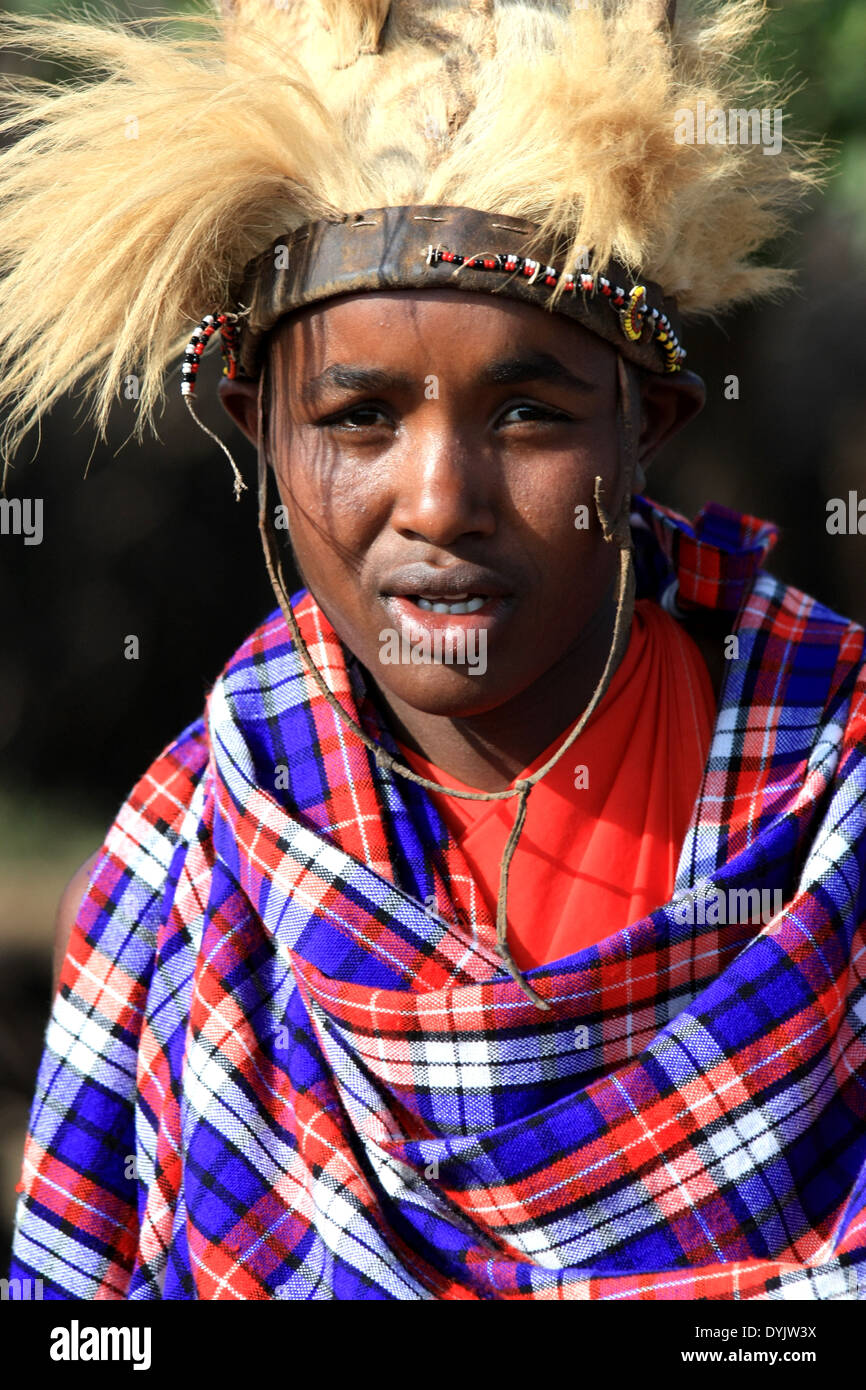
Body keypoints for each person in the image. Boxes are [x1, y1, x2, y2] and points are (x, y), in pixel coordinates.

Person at [5, 0, 864, 1300]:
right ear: (262, 433)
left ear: (649, 424)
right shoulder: (191, 868)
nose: (438, 497)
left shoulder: (834, 801)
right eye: (355, 415)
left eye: (526, 411)